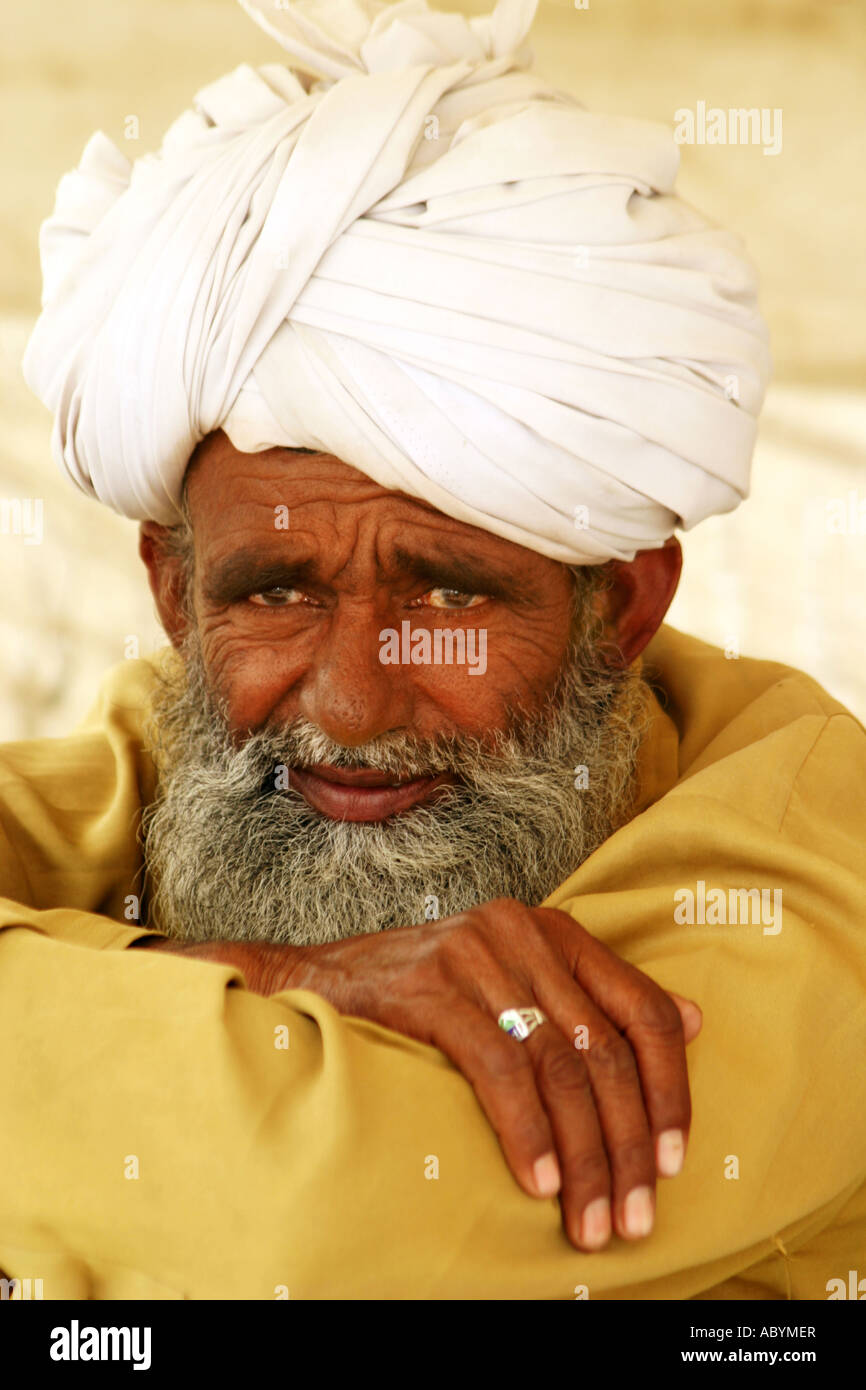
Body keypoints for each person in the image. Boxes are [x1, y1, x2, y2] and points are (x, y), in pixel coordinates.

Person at [2, 0, 863, 1300]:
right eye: (276, 593)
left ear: (619, 606)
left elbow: (313, 1217)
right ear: (174, 597)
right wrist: (267, 970)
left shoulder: (811, 873)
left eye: (448, 595)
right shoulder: (175, 752)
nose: (347, 708)